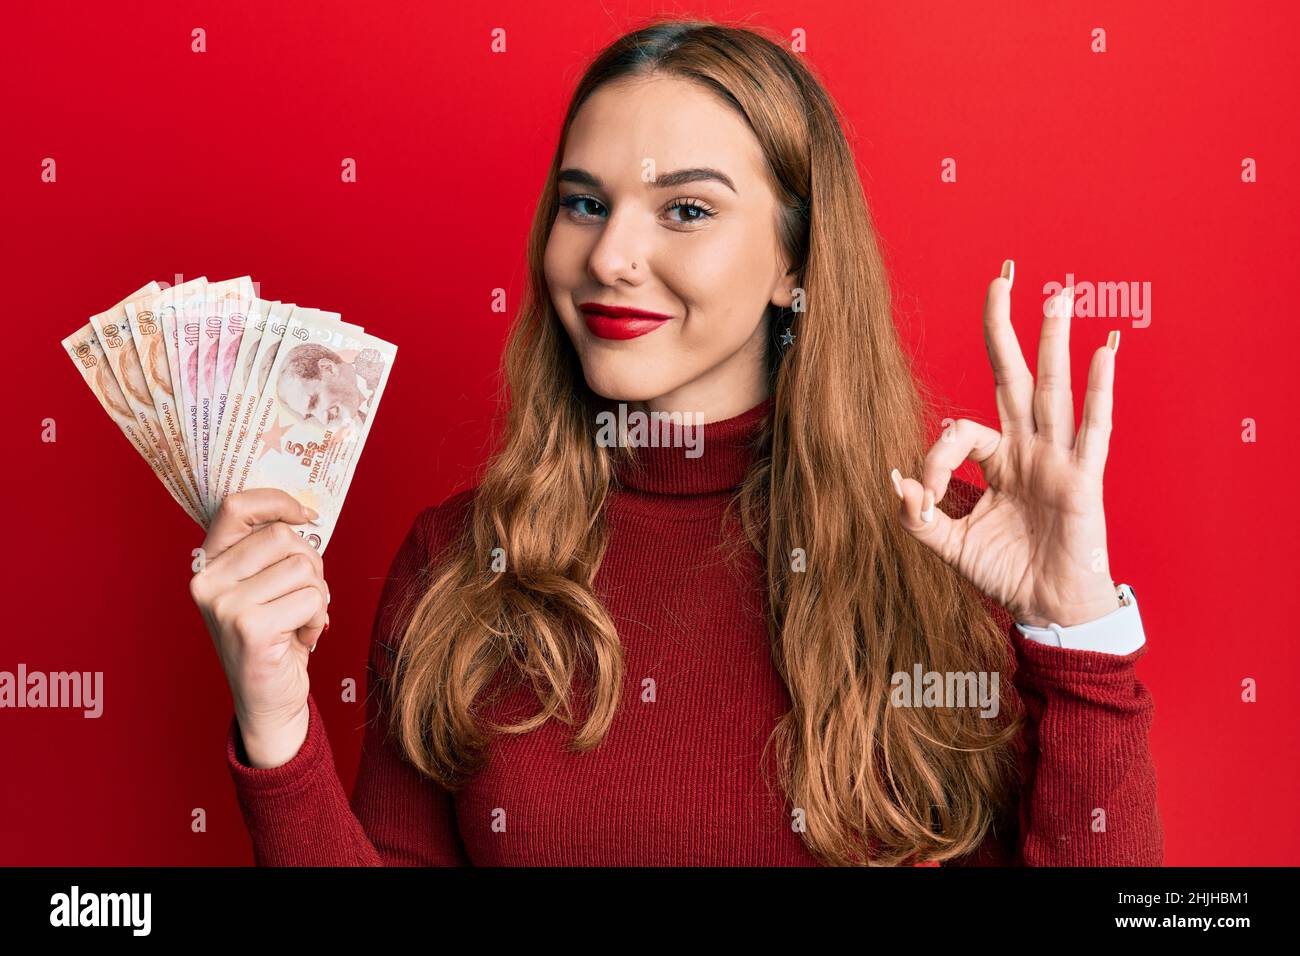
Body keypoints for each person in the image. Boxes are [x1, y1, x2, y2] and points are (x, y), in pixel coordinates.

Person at [189, 18, 1160, 867]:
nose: (610, 255)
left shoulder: (949, 552)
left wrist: (1074, 636)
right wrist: (277, 728)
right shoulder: (455, 563)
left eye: (685, 209)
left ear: (794, 260)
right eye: (583, 201)